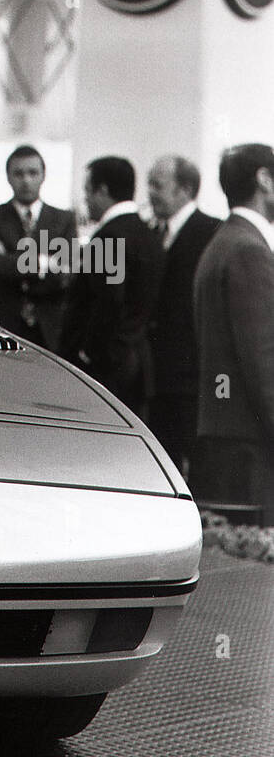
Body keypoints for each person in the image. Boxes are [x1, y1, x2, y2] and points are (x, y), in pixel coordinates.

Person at [192, 144, 274, 519]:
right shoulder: (248, 250)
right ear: (264, 180)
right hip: (250, 445)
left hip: (225, 435)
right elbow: (263, 361)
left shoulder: (224, 243)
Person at [62, 156, 163, 417]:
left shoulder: (108, 237)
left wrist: (87, 354)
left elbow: (109, 302)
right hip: (140, 366)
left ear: (103, 190)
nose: (85, 200)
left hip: (107, 369)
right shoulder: (149, 235)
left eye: (87, 191)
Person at [145, 155, 221, 476]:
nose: (149, 192)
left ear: (185, 189)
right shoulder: (149, 231)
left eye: (157, 185)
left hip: (191, 373)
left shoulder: (212, 232)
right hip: (156, 372)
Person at [0, 145, 79, 348]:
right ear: (8, 177)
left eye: (33, 173)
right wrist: (44, 262)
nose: (26, 180)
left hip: (48, 325)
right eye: (18, 173)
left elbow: (66, 273)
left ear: (43, 176)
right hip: (1, 322)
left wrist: (11, 260)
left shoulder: (64, 219)